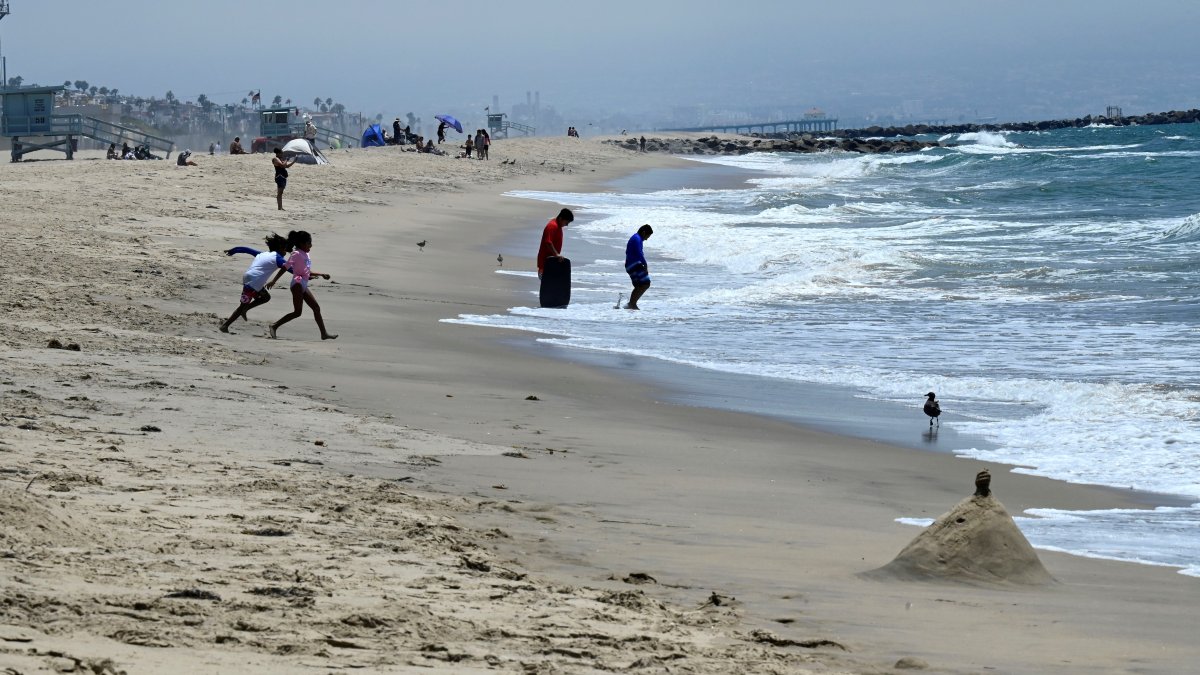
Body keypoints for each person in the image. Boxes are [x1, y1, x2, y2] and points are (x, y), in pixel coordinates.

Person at [269, 230, 337, 340]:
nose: (311, 245)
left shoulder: (306, 254)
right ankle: (274, 326)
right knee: (297, 312)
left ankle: (324, 334)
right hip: (297, 283)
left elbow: (307, 271)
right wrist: (274, 280)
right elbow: (285, 267)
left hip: (303, 283)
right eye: (309, 242)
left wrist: (321, 274)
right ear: (302, 244)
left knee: (316, 308)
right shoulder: (296, 254)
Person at [219, 232, 293, 332]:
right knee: (242, 306)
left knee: (265, 297)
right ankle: (225, 325)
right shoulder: (277, 258)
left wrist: (233, 251)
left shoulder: (262, 254)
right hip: (255, 281)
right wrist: (305, 274)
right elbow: (289, 268)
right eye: (285, 249)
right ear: (280, 248)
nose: (286, 252)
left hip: (248, 277)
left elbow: (245, 249)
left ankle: (245, 309)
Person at [624, 224, 654, 309]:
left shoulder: (635, 238)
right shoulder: (637, 239)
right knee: (645, 284)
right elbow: (639, 254)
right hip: (634, 265)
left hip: (629, 265)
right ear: (644, 233)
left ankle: (631, 304)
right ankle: (632, 304)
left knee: (639, 286)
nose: (647, 239)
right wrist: (645, 264)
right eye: (648, 236)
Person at [537, 208, 574, 278]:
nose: (567, 225)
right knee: (546, 286)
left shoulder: (558, 226)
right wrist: (556, 254)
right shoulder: (552, 226)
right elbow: (548, 242)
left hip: (551, 263)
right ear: (561, 218)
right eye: (566, 222)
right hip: (545, 264)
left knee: (551, 287)